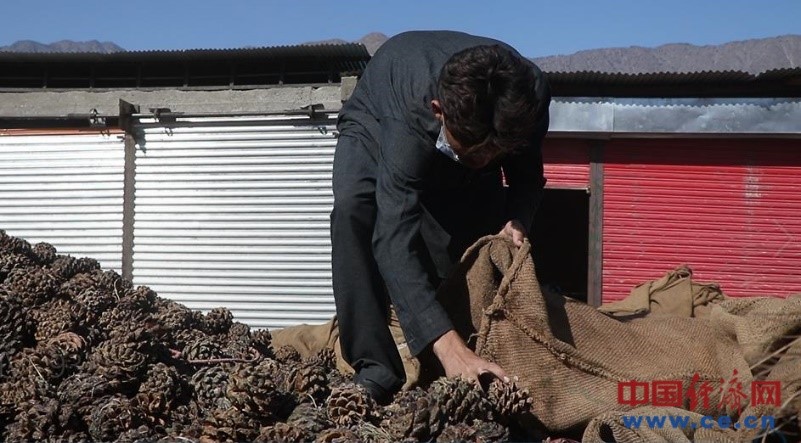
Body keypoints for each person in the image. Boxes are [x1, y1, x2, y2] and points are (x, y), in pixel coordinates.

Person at [331, 30, 550, 403]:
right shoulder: (412, 108)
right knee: (355, 210)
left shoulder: (530, 97)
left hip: (468, 136)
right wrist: (447, 347)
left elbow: (527, 178)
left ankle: (470, 347)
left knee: (461, 247)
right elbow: (393, 234)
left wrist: (517, 219)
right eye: (469, 153)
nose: (479, 162)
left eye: (489, 156)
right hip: (377, 119)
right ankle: (377, 366)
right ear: (438, 110)